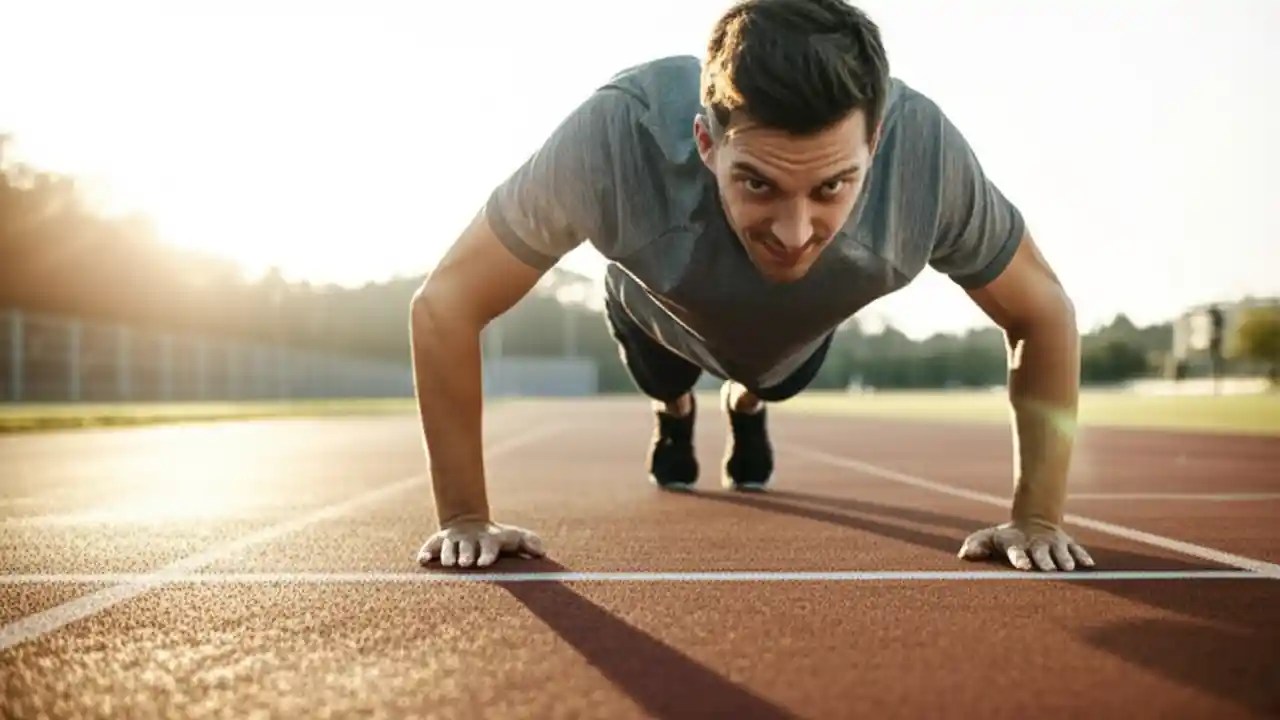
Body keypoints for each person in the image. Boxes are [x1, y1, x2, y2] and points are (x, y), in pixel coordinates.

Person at [410, 0, 1095, 573]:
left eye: (832, 187)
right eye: (757, 183)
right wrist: (465, 514)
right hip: (659, 314)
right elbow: (445, 303)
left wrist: (1036, 518)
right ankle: (677, 412)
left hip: (791, 340)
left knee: (770, 376)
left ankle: (745, 400)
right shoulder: (616, 135)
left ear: (876, 144)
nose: (795, 233)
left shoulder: (928, 159)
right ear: (706, 144)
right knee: (664, 380)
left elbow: (1045, 313)